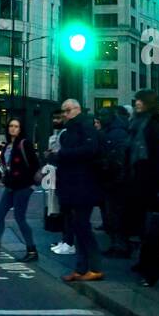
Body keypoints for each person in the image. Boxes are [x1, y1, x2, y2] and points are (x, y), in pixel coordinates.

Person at [49, 98, 104, 282]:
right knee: (78, 226)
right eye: (63, 111)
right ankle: (82, 268)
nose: (64, 114)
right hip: (74, 184)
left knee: (82, 225)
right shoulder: (71, 129)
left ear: (77, 109)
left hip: (83, 184)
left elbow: (90, 149)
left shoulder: (85, 127)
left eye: (68, 110)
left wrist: (62, 155)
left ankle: (94, 267)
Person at [125, 90, 159, 285]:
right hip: (141, 181)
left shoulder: (154, 125)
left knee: (153, 230)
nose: (137, 103)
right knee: (146, 228)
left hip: (153, 183)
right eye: (136, 100)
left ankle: (153, 269)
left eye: (140, 100)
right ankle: (148, 265)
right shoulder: (138, 124)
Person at [0, 118, 40, 261]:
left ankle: (32, 250)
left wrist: (29, 183)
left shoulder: (25, 144)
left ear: (20, 129)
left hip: (23, 186)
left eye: (16, 126)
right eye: (11, 126)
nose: (13, 129)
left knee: (20, 217)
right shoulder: (7, 146)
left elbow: (35, 165)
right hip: (11, 186)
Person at [96, 106, 131, 256]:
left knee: (115, 214)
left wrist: (114, 176)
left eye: (103, 116)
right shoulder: (114, 131)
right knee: (113, 214)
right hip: (112, 179)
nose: (100, 119)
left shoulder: (116, 133)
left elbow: (118, 157)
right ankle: (119, 244)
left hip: (115, 180)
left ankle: (120, 245)